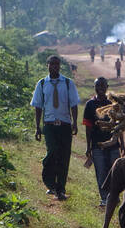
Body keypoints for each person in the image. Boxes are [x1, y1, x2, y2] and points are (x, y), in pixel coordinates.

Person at [30, 55, 80, 200]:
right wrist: (37, 127)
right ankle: (50, 183)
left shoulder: (68, 83)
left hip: (64, 125)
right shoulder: (41, 84)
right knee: (52, 152)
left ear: (60, 66)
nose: (55, 67)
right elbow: (38, 106)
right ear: (48, 65)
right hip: (49, 125)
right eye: (52, 64)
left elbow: (74, 105)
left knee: (64, 156)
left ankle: (60, 188)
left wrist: (75, 123)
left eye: (57, 64)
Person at [83, 76, 119, 209]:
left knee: (114, 172)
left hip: (113, 145)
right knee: (101, 172)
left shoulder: (114, 103)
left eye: (103, 86)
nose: (101, 89)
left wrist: (121, 142)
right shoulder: (90, 105)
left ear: (107, 87)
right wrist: (89, 147)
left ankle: (114, 197)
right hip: (97, 145)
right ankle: (104, 198)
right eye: (98, 86)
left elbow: (118, 124)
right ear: (95, 88)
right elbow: (88, 127)